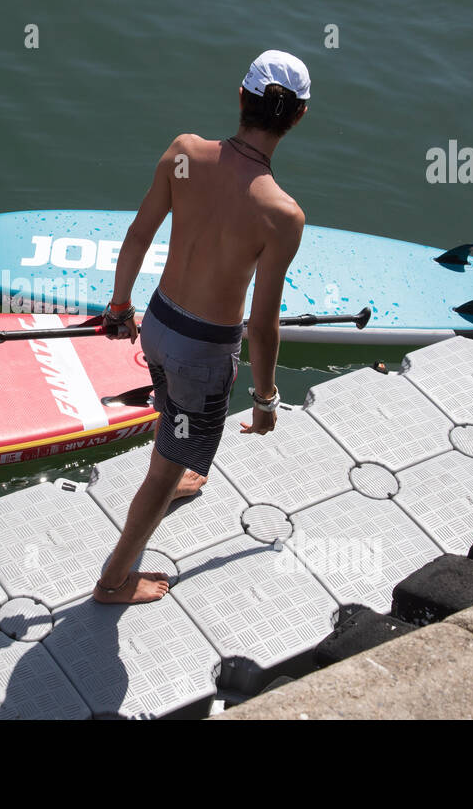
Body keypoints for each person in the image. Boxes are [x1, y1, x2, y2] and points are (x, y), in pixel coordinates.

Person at [93, 49, 310, 604]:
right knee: (166, 467)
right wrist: (266, 399)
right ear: (298, 117)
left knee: (175, 418)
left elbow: (140, 233)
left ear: (241, 98)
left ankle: (179, 462)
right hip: (205, 353)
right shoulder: (281, 215)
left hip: (160, 325)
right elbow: (261, 325)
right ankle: (116, 577)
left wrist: (120, 306)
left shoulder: (184, 153)